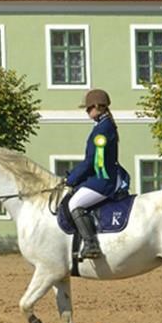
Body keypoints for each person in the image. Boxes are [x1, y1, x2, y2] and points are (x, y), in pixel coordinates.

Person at [64, 88, 130, 260]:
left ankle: (91, 245)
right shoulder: (103, 126)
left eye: (88, 109)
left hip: (103, 180)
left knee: (74, 204)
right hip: (101, 176)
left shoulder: (102, 130)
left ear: (97, 107)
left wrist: (71, 179)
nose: (87, 112)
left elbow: (94, 161)